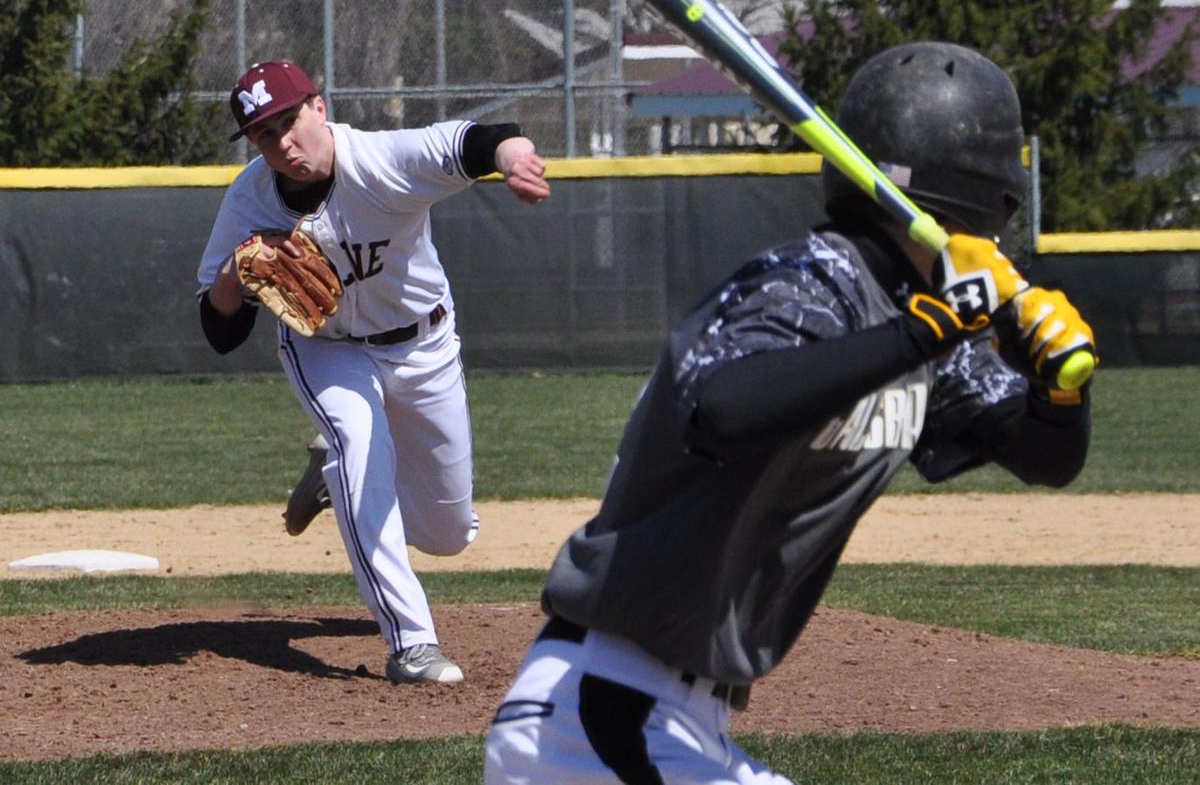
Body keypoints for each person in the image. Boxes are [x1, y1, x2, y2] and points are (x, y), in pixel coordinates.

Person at [484, 41, 1095, 783]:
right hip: (600, 713)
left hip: (657, 722)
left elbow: (1044, 455)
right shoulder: (811, 282)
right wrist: (924, 332)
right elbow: (726, 410)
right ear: (988, 195)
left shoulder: (923, 322)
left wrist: (1060, 392)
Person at [196, 59, 550, 685]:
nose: (282, 143)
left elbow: (478, 140)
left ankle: (339, 487)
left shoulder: (382, 160)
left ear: (320, 108)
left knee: (447, 535)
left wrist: (517, 156)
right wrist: (234, 273)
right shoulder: (249, 199)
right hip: (326, 348)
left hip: (424, 343)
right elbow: (219, 330)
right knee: (358, 446)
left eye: (289, 121)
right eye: (263, 134)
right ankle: (412, 643)